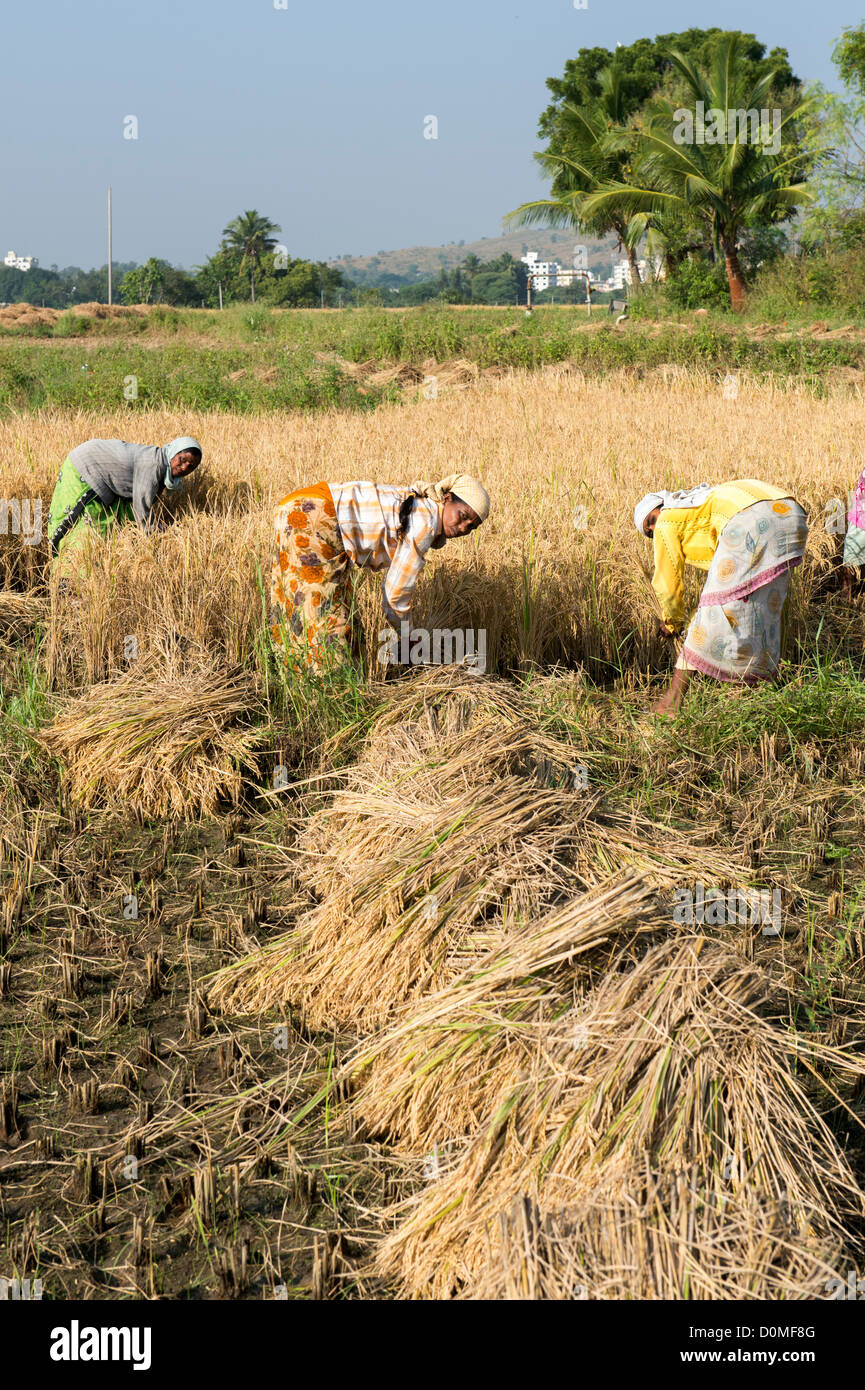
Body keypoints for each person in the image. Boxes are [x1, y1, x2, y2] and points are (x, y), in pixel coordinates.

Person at [268, 474, 490, 672]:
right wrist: (408, 636)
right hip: (313, 516)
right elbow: (396, 593)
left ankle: (292, 684)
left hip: (298, 508)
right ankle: (333, 699)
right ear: (447, 498)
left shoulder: (421, 507)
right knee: (327, 621)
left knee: (299, 603)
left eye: (471, 527)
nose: (463, 527)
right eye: (462, 516)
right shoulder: (426, 521)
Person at [634, 479, 809, 717]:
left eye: (651, 521)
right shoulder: (699, 502)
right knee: (761, 608)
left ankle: (672, 703)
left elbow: (668, 582)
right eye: (649, 534)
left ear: (661, 507)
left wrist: (671, 622)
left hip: (752, 521)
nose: (654, 529)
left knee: (709, 614)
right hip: (791, 514)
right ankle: (763, 694)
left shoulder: (667, 520)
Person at [47, 436, 203, 568]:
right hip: (85, 466)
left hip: (98, 470)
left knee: (112, 527)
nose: (183, 467)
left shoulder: (162, 466)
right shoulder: (154, 465)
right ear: (173, 452)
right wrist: (158, 540)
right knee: (85, 531)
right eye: (181, 460)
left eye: (190, 466)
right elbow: (141, 509)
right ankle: (69, 581)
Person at [841, 467, 865, 598]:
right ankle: (846, 602)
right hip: (859, 518)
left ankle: (846, 601)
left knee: (849, 563)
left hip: (859, 518)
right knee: (849, 564)